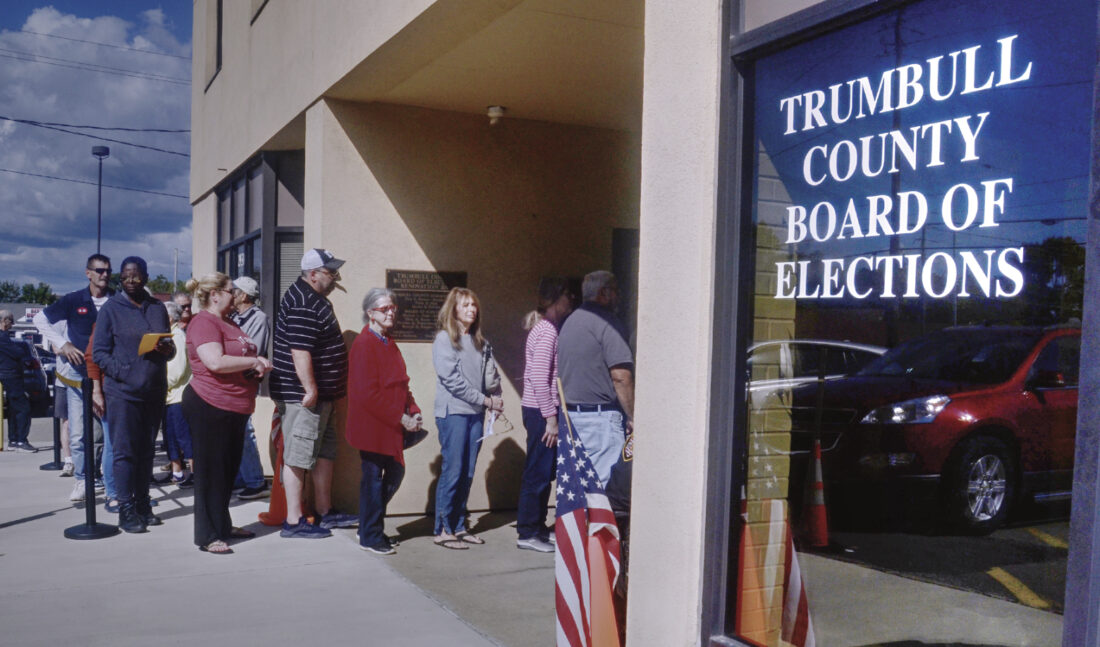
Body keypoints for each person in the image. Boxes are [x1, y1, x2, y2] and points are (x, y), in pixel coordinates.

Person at [182, 273, 271, 554]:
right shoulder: (203, 322)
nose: (237, 295)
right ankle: (208, 535)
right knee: (210, 473)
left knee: (227, 472)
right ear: (215, 295)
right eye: (232, 290)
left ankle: (222, 524)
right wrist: (254, 361)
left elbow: (234, 360)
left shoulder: (229, 322)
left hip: (235, 406)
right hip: (210, 404)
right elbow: (215, 362)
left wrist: (253, 368)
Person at [270, 248, 356, 538]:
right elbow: (300, 351)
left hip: (323, 397)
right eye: (331, 272)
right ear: (314, 274)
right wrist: (310, 389)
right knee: (298, 455)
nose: (336, 278)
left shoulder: (314, 298)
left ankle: (324, 511)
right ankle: (294, 521)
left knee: (323, 453)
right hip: (304, 397)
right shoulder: (304, 302)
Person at [92, 257, 174, 533]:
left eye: (135, 276)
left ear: (146, 278)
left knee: (146, 451)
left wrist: (167, 350)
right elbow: (99, 353)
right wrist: (124, 371)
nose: (130, 281)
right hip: (123, 392)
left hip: (154, 389)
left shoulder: (157, 307)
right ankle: (125, 508)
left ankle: (142, 504)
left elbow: (169, 345)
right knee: (125, 452)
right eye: (125, 277)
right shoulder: (111, 309)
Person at [346, 288, 422, 555]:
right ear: (371, 313)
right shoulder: (364, 344)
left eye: (393, 308)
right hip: (372, 428)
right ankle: (370, 535)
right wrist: (401, 417)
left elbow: (401, 383)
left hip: (390, 426)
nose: (391, 313)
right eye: (384, 309)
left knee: (393, 474)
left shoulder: (388, 342)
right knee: (373, 480)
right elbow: (367, 394)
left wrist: (413, 409)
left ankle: (368, 525)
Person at [34, 254, 113, 501]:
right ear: (88, 273)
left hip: (108, 376)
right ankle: (81, 478)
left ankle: (98, 476)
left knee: (101, 434)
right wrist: (62, 343)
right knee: (78, 433)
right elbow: (40, 319)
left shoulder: (116, 300)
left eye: (108, 271)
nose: (104, 275)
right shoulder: (74, 300)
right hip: (78, 376)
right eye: (99, 270)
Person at [431, 287, 502, 550]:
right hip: (454, 413)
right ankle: (443, 529)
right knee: (454, 469)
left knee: (468, 472)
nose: (471, 309)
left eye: (474, 305)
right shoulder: (444, 339)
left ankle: (459, 526)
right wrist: (486, 400)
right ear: (454, 309)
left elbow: (491, 377)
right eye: (465, 305)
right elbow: (452, 380)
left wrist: (497, 398)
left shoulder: (481, 342)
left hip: (476, 414)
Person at [556, 271, 634, 487]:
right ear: (604, 293)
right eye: (616, 291)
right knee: (602, 491)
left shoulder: (570, 322)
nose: (619, 296)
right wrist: (633, 415)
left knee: (578, 490)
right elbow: (621, 376)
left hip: (571, 417)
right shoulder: (607, 323)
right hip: (600, 421)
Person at [516, 278, 574, 553]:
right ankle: (527, 531)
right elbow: (539, 378)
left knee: (543, 472)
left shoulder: (548, 328)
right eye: (567, 296)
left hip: (542, 410)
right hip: (541, 412)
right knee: (537, 473)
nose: (571, 301)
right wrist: (551, 418)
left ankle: (537, 527)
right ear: (555, 300)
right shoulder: (547, 331)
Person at [229, 276, 269, 500]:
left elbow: (253, 350)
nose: (230, 295)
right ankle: (240, 478)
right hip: (231, 382)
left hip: (244, 381)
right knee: (235, 431)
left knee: (245, 430)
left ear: (244, 295)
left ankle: (255, 481)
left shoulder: (258, 318)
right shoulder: (233, 316)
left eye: (233, 291)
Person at [164, 301, 194, 487]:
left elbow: (176, 372)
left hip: (179, 396)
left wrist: (159, 385)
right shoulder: (168, 336)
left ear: (168, 318)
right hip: (169, 397)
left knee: (185, 436)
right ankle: (177, 473)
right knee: (170, 436)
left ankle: (195, 473)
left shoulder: (178, 337)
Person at [0, 310, 34, 452]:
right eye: (11, 321)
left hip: (9, 375)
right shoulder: (2, 337)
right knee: (23, 408)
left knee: (13, 409)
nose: (12, 324)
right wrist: (24, 353)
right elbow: (17, 352)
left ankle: (13, 440)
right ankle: (21, 441)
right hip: (10, 375)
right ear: (4, 321)